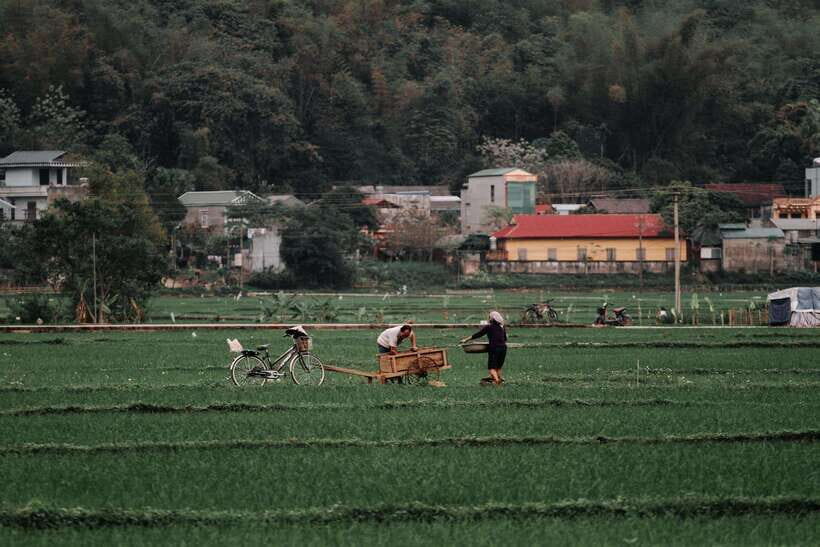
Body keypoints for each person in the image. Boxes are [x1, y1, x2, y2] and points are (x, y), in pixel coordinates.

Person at [461, 311, 507, 386]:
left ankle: (497, 382)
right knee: (498, 367)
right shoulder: (502, 327)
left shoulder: (489, 327)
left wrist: (466, 339)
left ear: (492, 318)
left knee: (491, 368)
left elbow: (478, 334)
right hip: (503, 348)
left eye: (489, 317)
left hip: (494, 348)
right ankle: (498, 380)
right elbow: (504, 339)